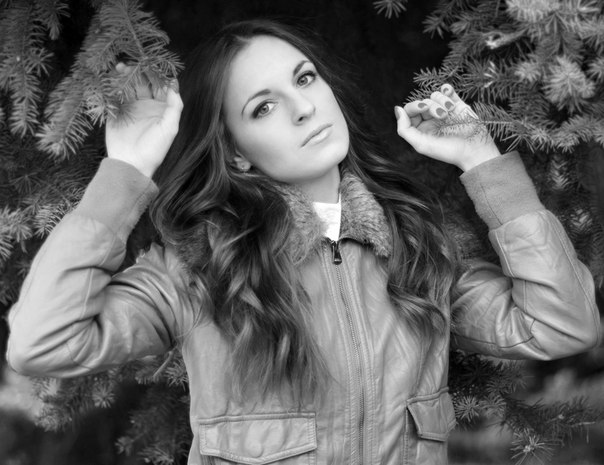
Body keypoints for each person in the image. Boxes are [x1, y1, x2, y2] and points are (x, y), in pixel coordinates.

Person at [6, 18, 600, 465]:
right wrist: (127, 170)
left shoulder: (416, 245)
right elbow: (43, 342)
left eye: (305, 78)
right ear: (236, 151)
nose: (302, 108)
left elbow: (561, 325)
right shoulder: (199, 267)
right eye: (263, 107)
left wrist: (483, 161)